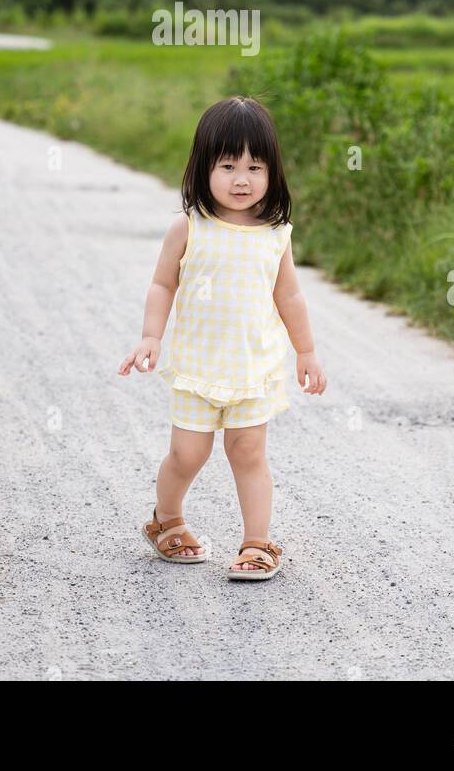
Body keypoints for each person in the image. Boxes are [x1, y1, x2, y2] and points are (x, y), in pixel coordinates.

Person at [118, 95, 327, 580]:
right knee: (188, 454)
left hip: (253, 371)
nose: (241, 179)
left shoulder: (275, 234)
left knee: (249, 453)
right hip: (197, 370)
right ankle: (165, 520)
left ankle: (257, 543)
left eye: (255, 167)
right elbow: (162, 283)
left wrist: (307, 350)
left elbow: (290, 297)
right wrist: (152, 336)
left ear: (272, 172)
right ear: (202, 167)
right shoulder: (189, 227)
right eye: (228, 165)